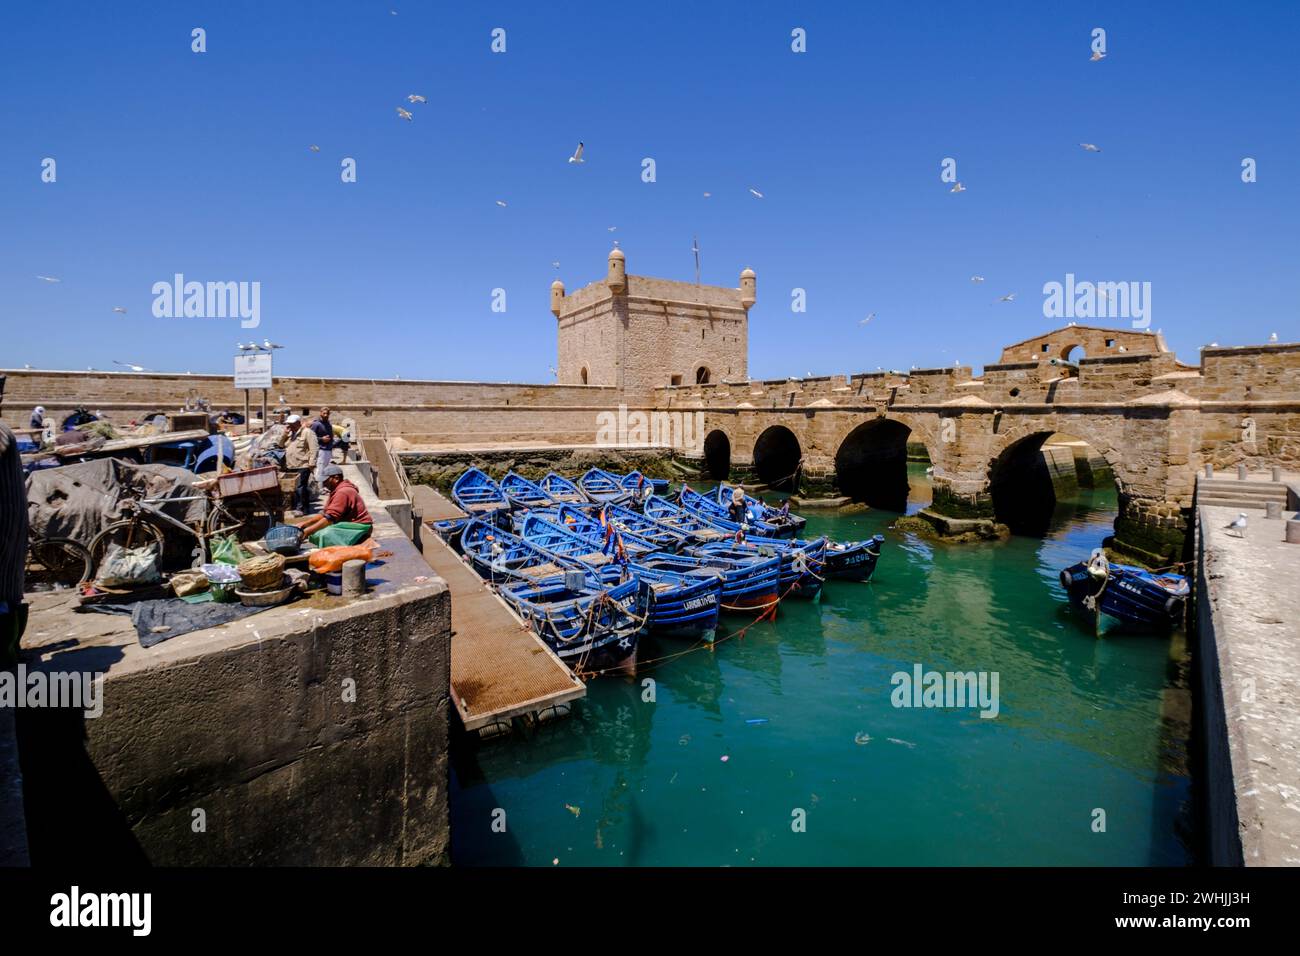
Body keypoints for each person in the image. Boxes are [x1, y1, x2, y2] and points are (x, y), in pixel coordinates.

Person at [0, 421, 28, 667]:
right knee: (8, 590)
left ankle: (7, 657)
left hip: (5, 522)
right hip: (11, 520)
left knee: (4, 592)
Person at [294, 465, 372, 538]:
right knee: (317, 531)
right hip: (350, 524)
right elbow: (325, 514)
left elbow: (330, 518)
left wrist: (307, 532)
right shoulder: (336, 490)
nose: (324, 484)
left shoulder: (343, 492)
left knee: (322, 534)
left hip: (360, 527)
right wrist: (305, 524)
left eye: (326, 481)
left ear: (336, 478)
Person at [277, 414, 318, 514]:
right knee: (295, 488)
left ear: (298, 423)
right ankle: (301, 507)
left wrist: (311, 463)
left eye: (292, 424)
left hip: (302, 465)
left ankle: (301, 509)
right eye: (289, 424)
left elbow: (314, 448)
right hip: (291, 465)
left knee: (301, 487)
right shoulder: (290, 434)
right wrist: (284, 435)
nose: (290, 426)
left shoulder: (307, 432)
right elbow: (280, 445)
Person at [310, 406, 334, 480]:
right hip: (321, 450)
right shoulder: (316, 424)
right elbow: (311, 437)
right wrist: (321, 439)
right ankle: (318, 488)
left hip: (328, 450)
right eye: (324, 413)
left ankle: (323, 485)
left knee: (325, 470)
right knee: (319, 470)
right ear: (320, 413)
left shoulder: (329, 424)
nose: (326, 415)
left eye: (327, 414)